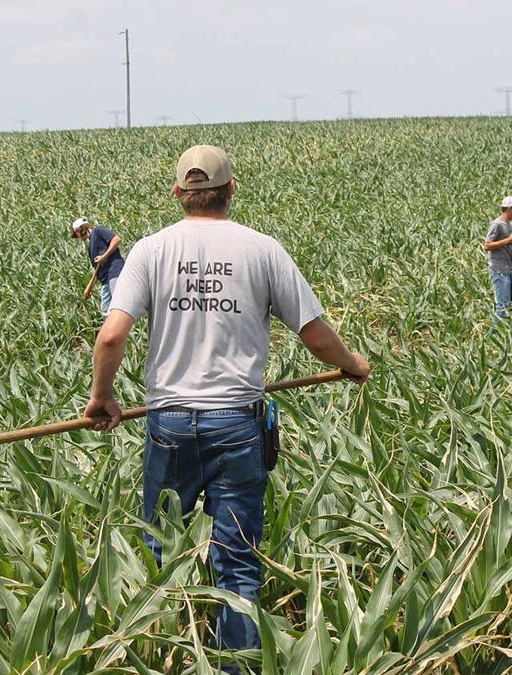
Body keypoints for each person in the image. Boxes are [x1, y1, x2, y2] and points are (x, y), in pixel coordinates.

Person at [84, 144, 370, 671]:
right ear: (231, 189)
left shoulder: (150, 250)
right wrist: (352, 362)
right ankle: (235, 666)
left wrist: (102, 395)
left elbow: (111, 337)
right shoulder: (262, 250)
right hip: (237, 421)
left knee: (163, 551)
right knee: (238, 564)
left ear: (178, 193)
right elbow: (313, 335)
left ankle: (161, 655)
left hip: (167, 421)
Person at [71, 217, 126, 315]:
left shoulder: (97, 231)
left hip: (114, 272)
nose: (78, 237)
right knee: (105, 310)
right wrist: (90, 287)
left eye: (77, 233)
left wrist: (104, 256)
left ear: (82, 229)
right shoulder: (91, 247)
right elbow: (97, 270)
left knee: (118, 307)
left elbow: (117, 239)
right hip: (105, 279)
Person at [484, 196, 512, 320]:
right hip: (498, 270)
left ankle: (507, 336)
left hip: (508, 270)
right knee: (502, 308)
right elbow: (487, 246)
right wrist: (507, 240)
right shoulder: (496, 225)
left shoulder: (510, 225)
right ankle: (493, 338)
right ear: (509, 209)